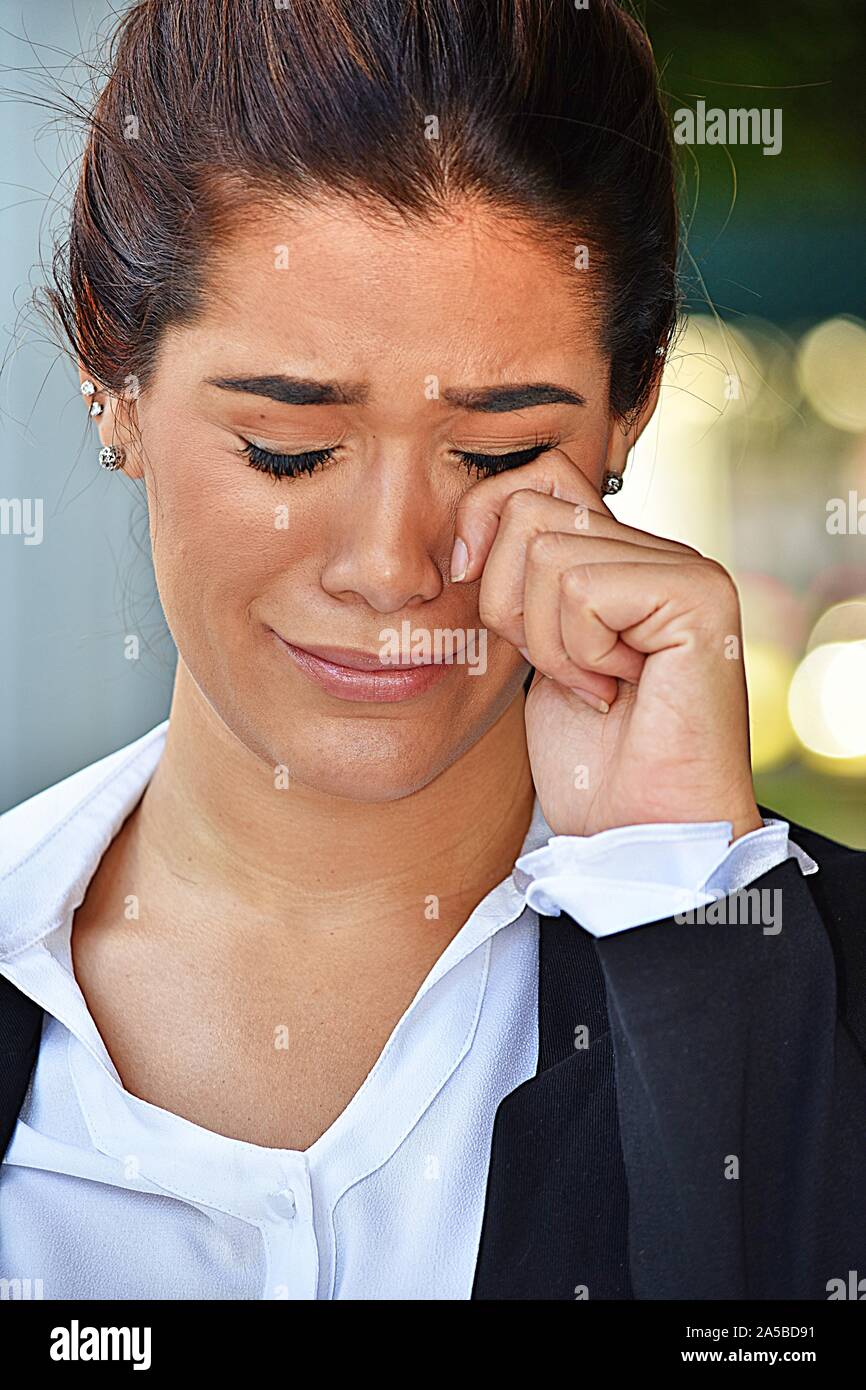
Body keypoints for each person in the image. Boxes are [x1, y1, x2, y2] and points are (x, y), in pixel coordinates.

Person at [1, 0, 864, 1301]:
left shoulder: (812, 974)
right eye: (288, 447)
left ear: (627, 407)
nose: (394, 565)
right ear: (111, 377)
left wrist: (687, 919)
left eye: (497, 452)